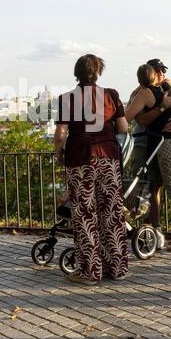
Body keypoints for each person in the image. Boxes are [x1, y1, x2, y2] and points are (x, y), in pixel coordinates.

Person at [55, 55, 131, 284]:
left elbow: (60, 134)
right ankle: (116, 269)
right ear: (98, 72)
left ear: (76, 72)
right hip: (108, 158)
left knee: (85, 215)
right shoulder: (111, 95)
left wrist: (59, 153)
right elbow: (124, 127)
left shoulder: (67, 99)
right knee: (112, 212)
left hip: (80, 160)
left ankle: (90, 272)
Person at [125, 62, 171, 252]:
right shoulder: (162, 90)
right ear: (154, 74)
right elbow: (142, 119)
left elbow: (128, 118)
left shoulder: (151, 92)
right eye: (159, 71)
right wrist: (164, 109)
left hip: (169, 144)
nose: (163, 74)